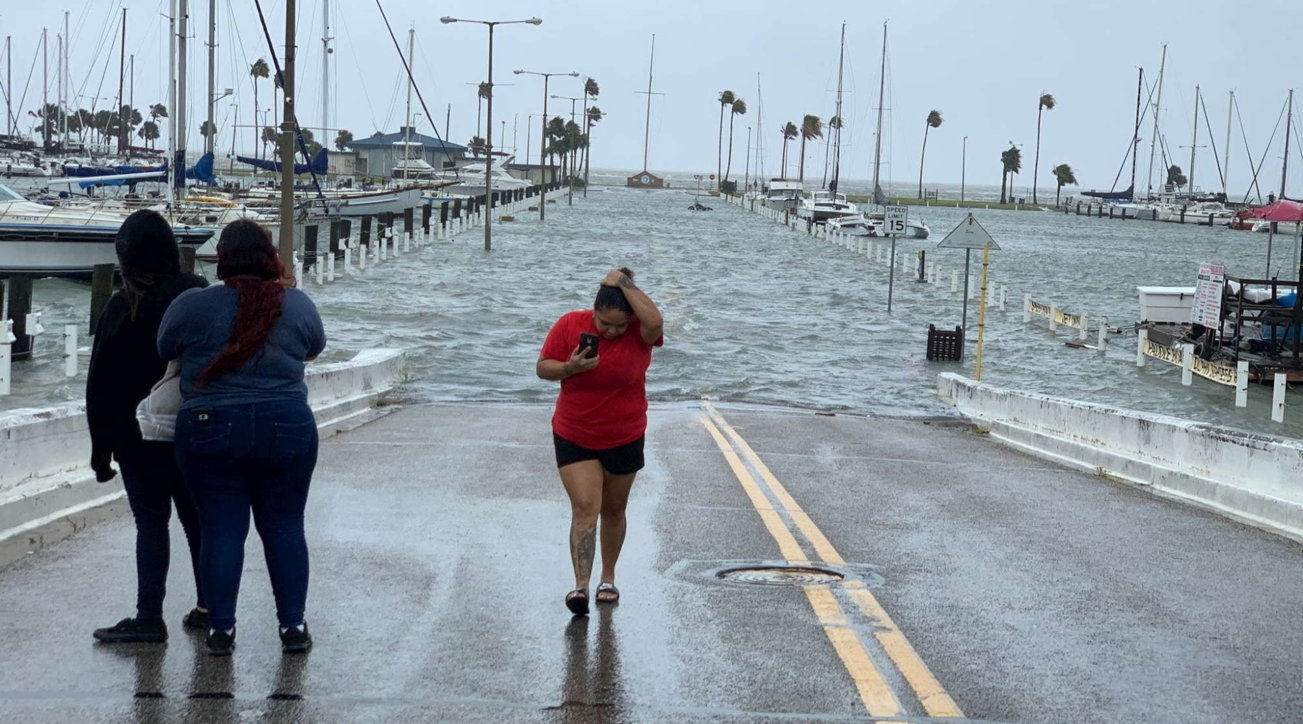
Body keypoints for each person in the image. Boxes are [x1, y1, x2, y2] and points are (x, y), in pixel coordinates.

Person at [158, 219, 326, 656]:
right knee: (286, 526)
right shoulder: (298, 305)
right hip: (285, 423)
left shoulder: (192, 305)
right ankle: (292, 626)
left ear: (222, 259)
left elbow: (164, 346)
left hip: (210, 426)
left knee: (221, 529)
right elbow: (314, 347)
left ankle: (221, 629)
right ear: (270, 258)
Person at [88, 209, 210, 644]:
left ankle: (148, 617)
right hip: (190, 429)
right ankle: (208, 606)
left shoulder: (123, 305)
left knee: (152, 523)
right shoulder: (198, 296)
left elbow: (99, 383)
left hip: (135, 437)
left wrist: (100, 451)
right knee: (197, 520)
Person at [537, 267, 664, 615]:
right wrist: (569, 369)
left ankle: (608, 578)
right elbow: (542, 367)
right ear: (593, 311)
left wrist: (621, 281)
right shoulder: (569, 325)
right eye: (604, 323)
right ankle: (580, 586)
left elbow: (656, 320)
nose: (610, 331)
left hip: (625, 433)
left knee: (613, 509)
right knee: (584, 507)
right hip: (575, 431)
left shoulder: (641, 332)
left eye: (619, 325)